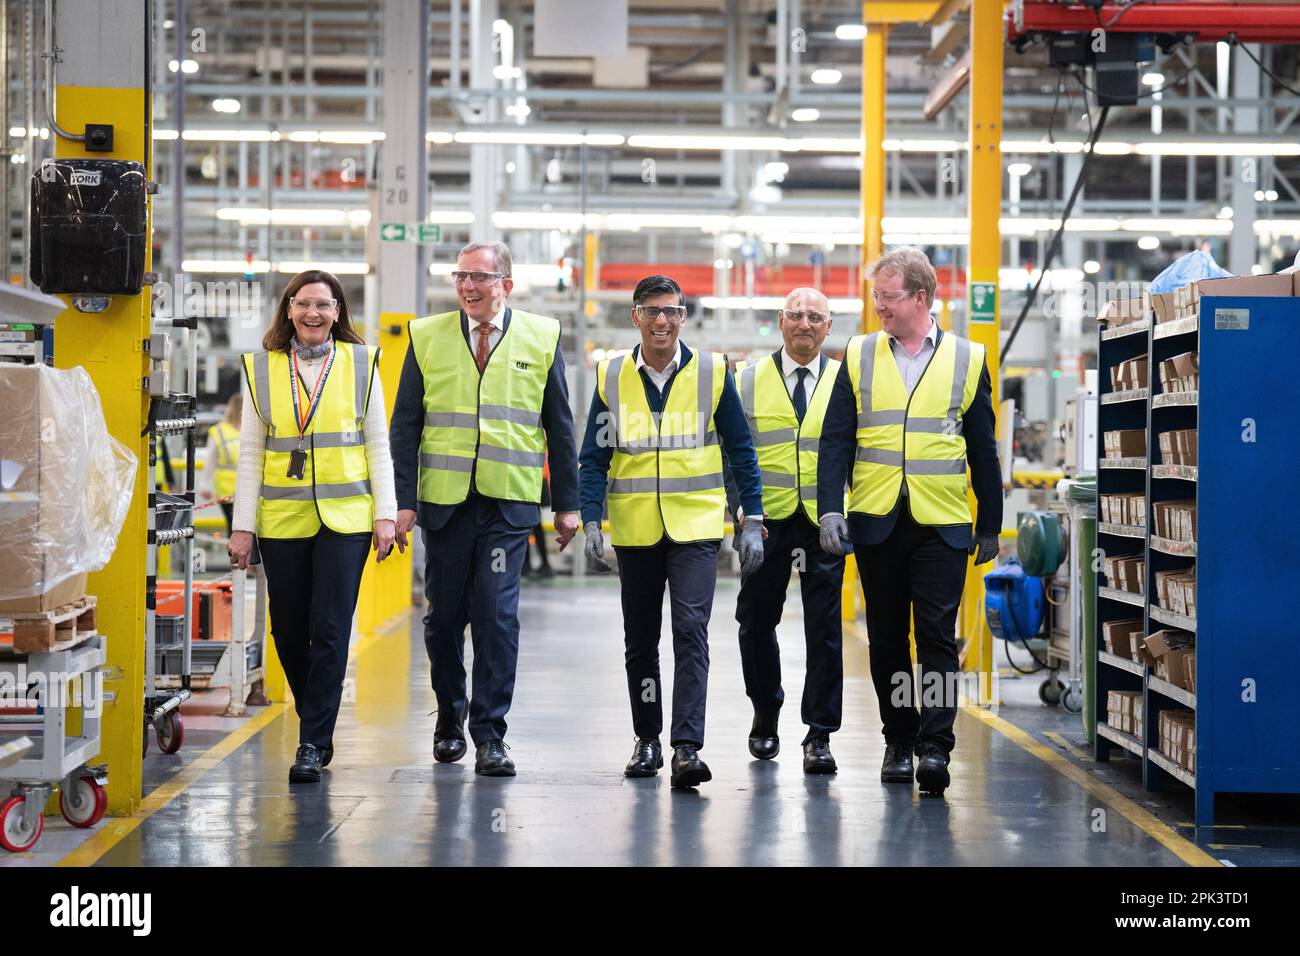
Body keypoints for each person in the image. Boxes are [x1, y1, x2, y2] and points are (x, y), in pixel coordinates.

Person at [389, 240, 580, 778]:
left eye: (480, 278)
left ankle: (491, 734)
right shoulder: (425, 337)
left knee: (497, 618)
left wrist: (567, 503)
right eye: (461, 277)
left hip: (508, 504)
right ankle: (450, 715)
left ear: (506, 284)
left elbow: (559, 426)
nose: (469, 287)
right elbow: (404, 428)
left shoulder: (542, 337)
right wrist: (403, 502)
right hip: (447, 506)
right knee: (445, 617)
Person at [816, 248, 1002, 797]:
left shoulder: (969, 358)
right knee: (888, 638)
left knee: (937, 638)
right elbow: (836, 440)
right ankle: (898, 740)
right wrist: (831, 507)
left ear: (920, 297)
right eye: (876, 297)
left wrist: (989, 521)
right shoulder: (859, 354)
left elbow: (983, 448)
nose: (879, 308)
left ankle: (935, 748)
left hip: (942, 522)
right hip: (876, 519)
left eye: (888, 297)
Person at [578, 274, 765, 789]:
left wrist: (753, 519)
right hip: (636, 529)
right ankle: (647, 739)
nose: (662, 320)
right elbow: (593, 458)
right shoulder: (610, 375)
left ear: (684, 317)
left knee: (690, 631)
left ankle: (686, 746)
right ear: (635, 316)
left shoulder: (711, 372)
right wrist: (591, 518)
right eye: (651, 311)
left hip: (696, 527)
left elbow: (741, 451)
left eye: (672, 311)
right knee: (640, 641)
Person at [228, 270, 398, 784]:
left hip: (346, 517)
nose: (313, 314)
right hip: (282, 519)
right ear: (288, 310)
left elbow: (378, 447)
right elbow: (251, 452)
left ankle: (312, 741)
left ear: (338, 312)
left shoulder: (362, 364)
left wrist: (385, 514)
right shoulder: (262, 370)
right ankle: (315, 714)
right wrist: (242, 527)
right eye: (304, 304)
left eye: (324, 305)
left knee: (329, 627)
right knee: (287, 628)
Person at [728, 288, 844, 774]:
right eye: (795, 315)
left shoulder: (846, 380)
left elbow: (856, 445)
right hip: (767, 522)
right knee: (755, 622)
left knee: (825, 629)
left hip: (825, 522)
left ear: (828, 327)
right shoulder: (747, 380)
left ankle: (819, 734)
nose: (804, 324)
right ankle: (765, 711)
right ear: (780, 322)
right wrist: (743, 517)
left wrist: (849, 512)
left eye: (814, 317)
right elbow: (733, 451)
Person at [200, 392, 242, 534]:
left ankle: (234, 555)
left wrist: (204, 484)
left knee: (233, 528)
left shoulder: (218, 431)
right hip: (248, 486)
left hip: (225, 488)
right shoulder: (252, 430)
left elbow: (211, 460)